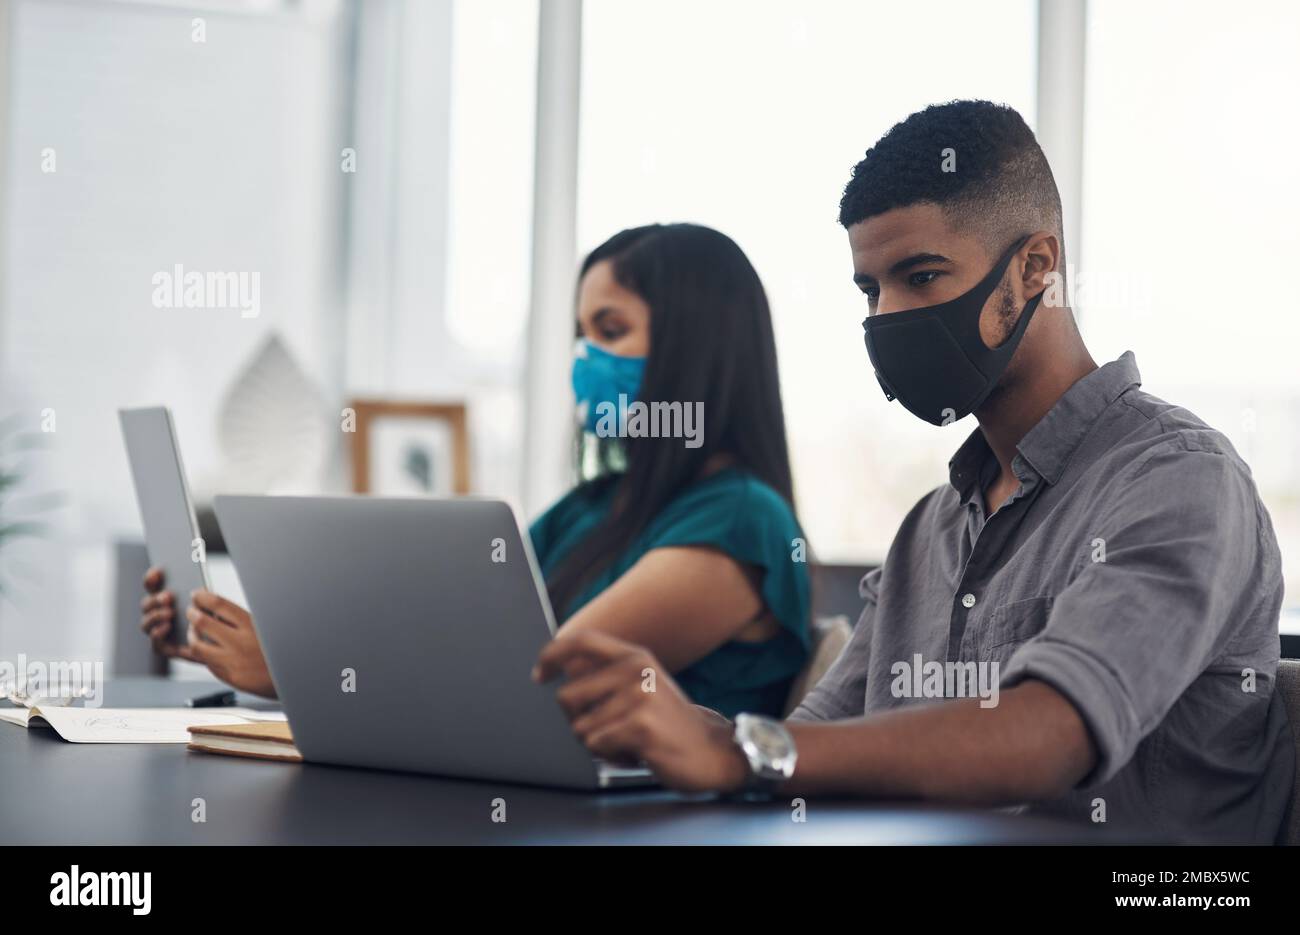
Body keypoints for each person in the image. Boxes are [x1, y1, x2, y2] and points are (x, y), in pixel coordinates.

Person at [535, 101, 1294, 844]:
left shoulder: (1179, 480)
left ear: (1035, 267)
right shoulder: (929, 529)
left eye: (921, 276)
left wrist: (743, 752)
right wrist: (689, 732)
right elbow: (808, 743)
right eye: (870, 289)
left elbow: (1051, 732)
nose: (887, 316)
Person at [141, 223, 810, 719]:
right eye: (582, 334)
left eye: (610, 329)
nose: (585, 358)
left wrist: (293, 668)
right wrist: (242, 635)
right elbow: (453, 633)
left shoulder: (743, 520)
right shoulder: (592, 507)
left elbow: (541, 678)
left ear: (697, 345)